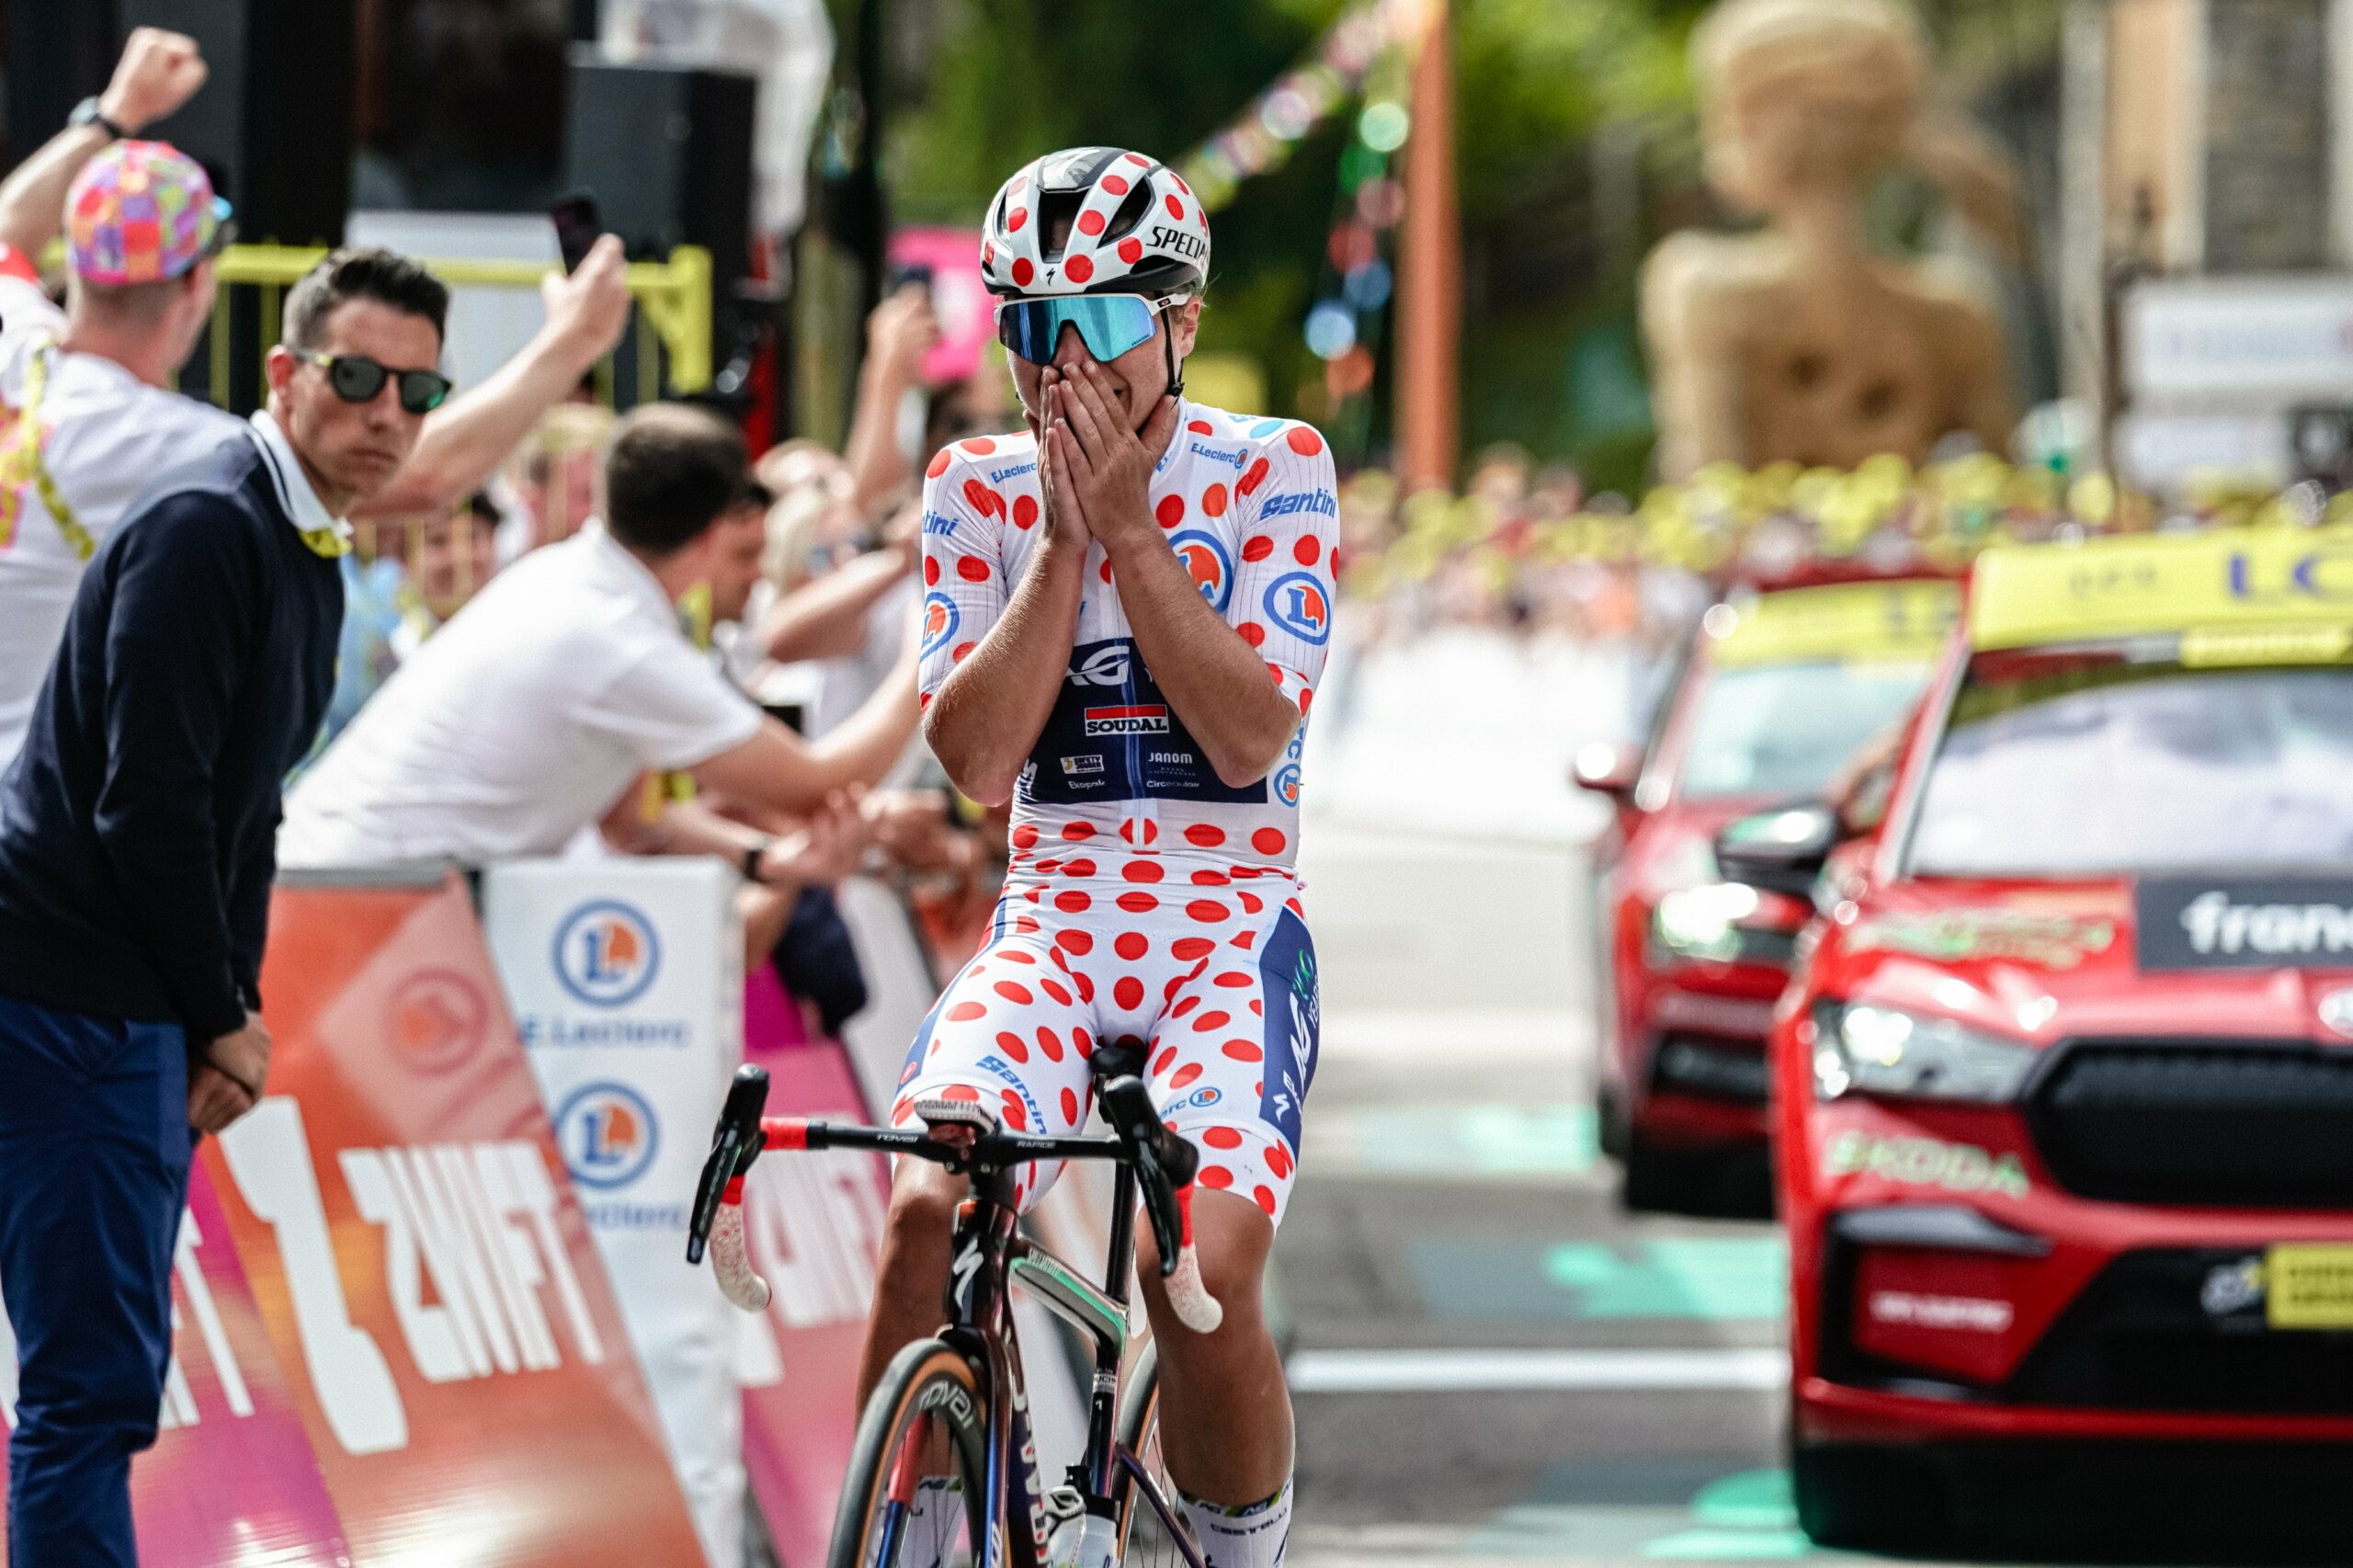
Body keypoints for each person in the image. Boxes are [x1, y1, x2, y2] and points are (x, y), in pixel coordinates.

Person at [867, 145, 1338, 1568]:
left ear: (1180, 327)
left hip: (1226, 930)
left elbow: (1253, 734)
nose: (1063, 365)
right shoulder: (973, 486)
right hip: (1054, 923)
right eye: (1028, 324)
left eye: (1104, 322)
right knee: (914, 1210)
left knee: (1190, 1271)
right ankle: (922, 1532)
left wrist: (1133, 532)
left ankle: (1236, 1543)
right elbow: (972, 764)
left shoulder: (1276, 468)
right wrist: (1057, 552)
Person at [0, 244, 455, 1566]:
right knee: (90, 1387)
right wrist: (218, 1014)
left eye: (419, 393)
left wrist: (220, 1013)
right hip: (68, 995)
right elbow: (150, 810)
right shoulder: (213, 525)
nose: (388, 415)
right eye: (360, 377)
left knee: (92, 1379)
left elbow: (240, 814)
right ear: (285, 372)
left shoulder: (297, 539)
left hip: (105, 996)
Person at [0, 26, 635, 767]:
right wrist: (572, 344)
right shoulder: (156, 444)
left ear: (74, 266)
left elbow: (11, 224)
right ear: (197, 285)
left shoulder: (17, 343)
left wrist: (114, 113)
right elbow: (415, 475)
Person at [277, 403, 922, 887]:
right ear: (715, 528)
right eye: (749, 548)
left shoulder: (571, 582)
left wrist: (762, 861)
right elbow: (821, 785)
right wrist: (936, 640)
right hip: (363, 896)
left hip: (349, 883)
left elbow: (630, 822)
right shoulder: (618, 640)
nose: (758, 573)